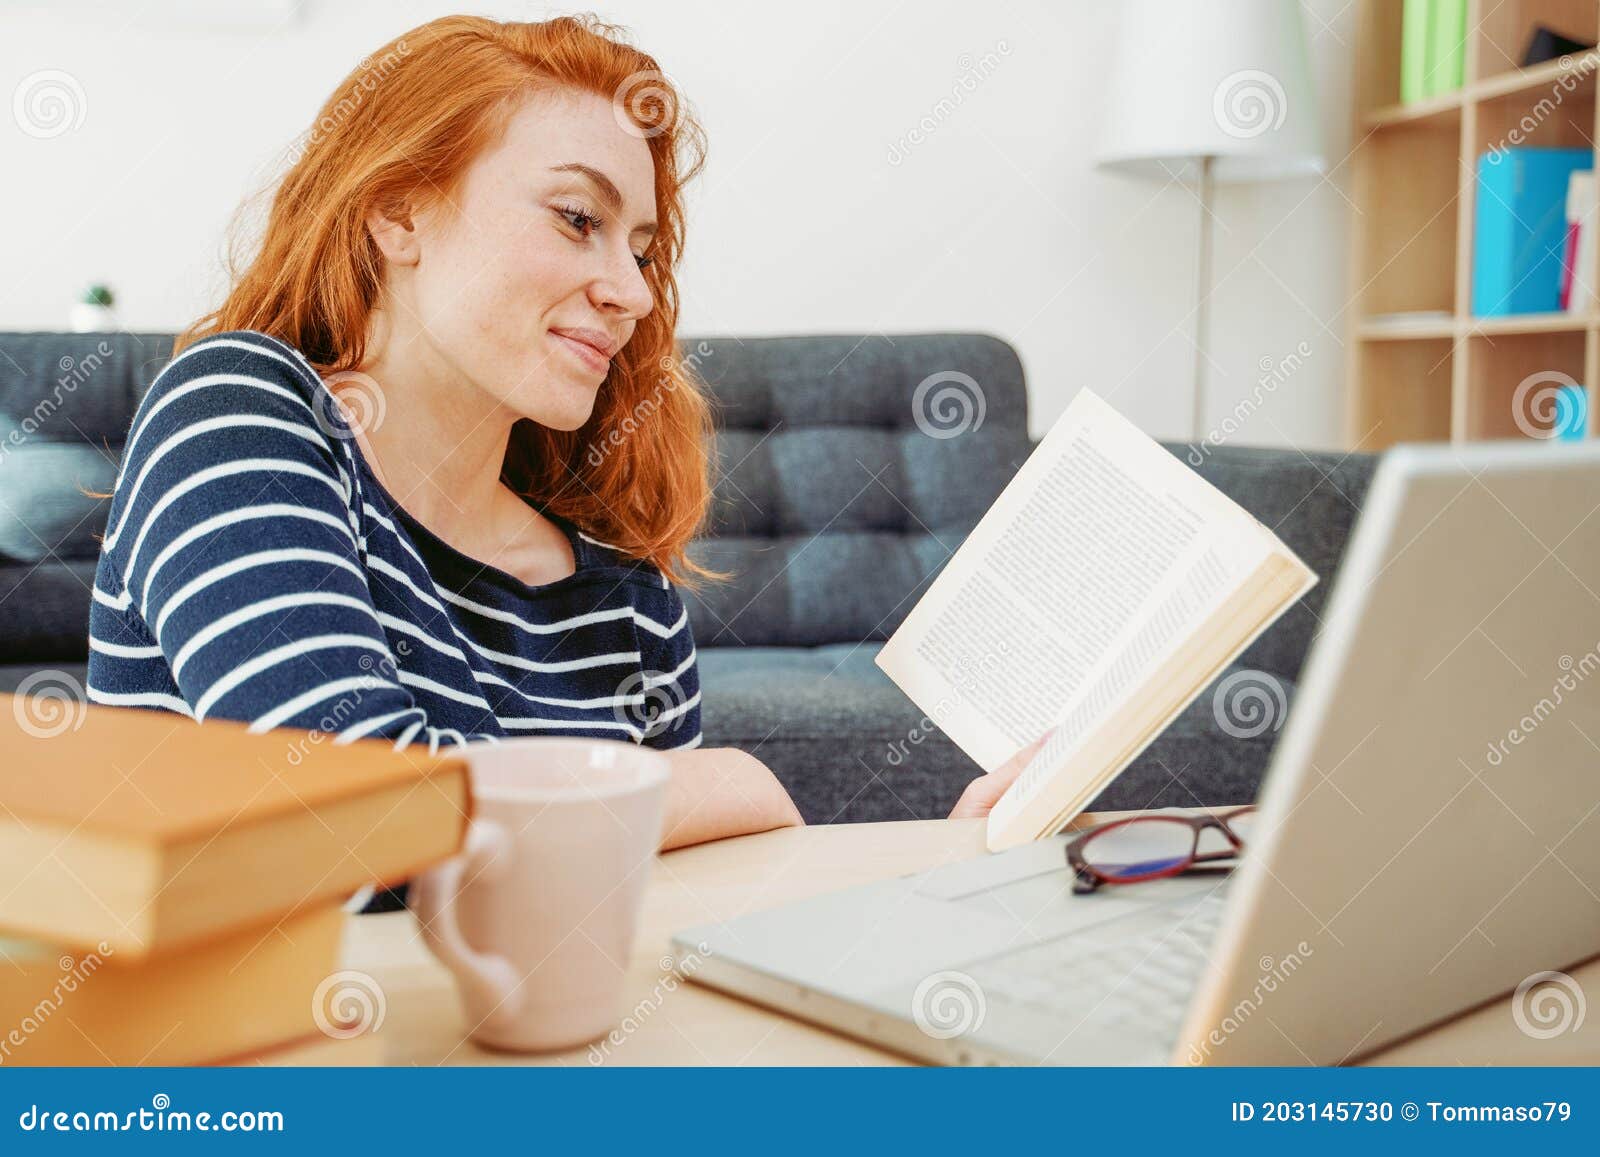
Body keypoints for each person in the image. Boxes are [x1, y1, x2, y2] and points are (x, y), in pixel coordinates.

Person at [84, 14, 1037, 865]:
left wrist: (931, 866)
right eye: (578, 218)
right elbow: (360, 825)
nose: (629, 290)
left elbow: (642, 916)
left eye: (641, 250)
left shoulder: (624, 593)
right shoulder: (237, 409)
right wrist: (733, 783)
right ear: (398, 212)